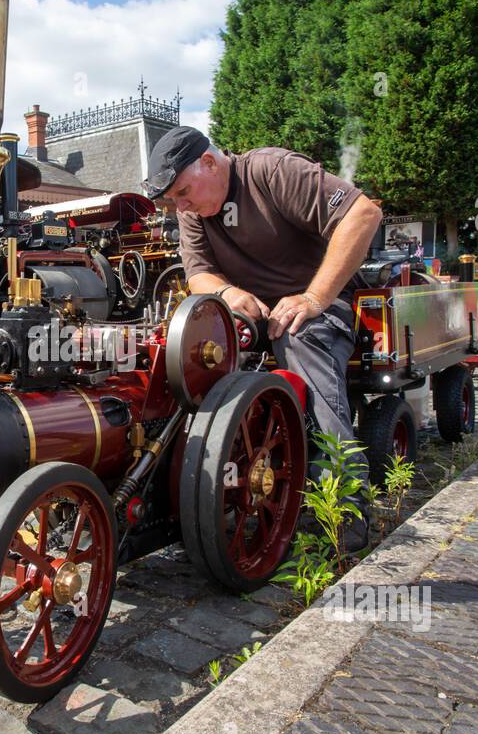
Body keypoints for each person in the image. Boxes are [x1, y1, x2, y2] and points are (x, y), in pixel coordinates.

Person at [142, 126, 383, 543]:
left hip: (322, 307)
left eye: (183, 192)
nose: (180, 206)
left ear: (211, 163)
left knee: (298, 335)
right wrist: (229, 292)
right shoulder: (192, 211)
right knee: (191, 350)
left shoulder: (272, 171)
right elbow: (198, 274)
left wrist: (312, 297)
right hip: (258, 313)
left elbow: (364, 214)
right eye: (174, 199)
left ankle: (343, 507)